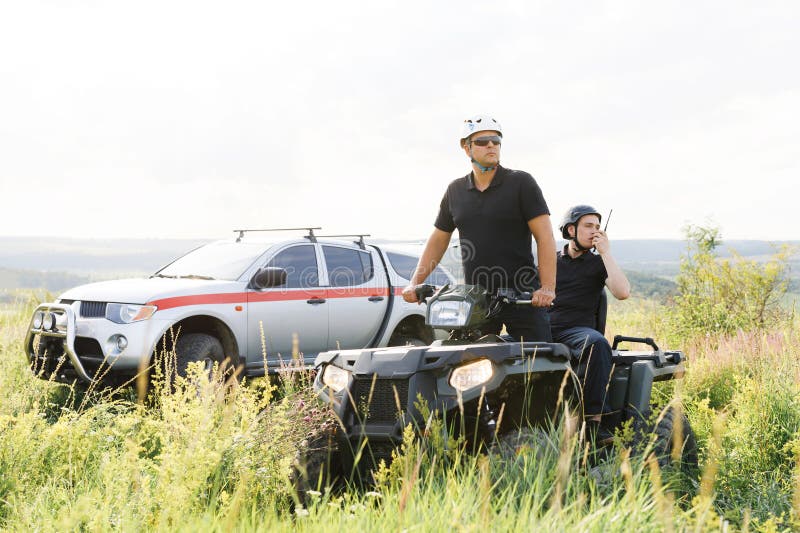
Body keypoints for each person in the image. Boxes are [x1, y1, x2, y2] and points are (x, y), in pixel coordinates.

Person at [402, 114, 557, 341]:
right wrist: (414, 283)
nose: (491, 145)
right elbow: (438, 240)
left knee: (539, 362)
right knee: (467, 365)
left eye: (496, 140)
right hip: (475, 297)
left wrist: (547, 288)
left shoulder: (521, 183)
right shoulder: (455, 190)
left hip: (523, 293)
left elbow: (545, 237)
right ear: (467, 148)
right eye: (483, 141)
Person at [549, 205, 631, 441]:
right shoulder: (550, 261)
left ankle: (594, 423)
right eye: (588, 226)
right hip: (543, 329)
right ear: (570, 229)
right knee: (499, 345)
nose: (594, 231)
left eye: (597, 227)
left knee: (597, 343)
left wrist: (605, 253)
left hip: (576, 331)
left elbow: (623, 292)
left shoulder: (598, 264)